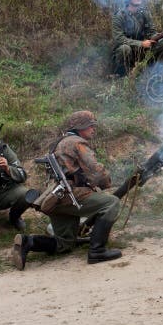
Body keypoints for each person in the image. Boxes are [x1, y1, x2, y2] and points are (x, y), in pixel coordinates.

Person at [12, 110, 122, 269]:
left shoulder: (58, 143)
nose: (93, 129)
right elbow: (95, 170)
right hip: (71, 195)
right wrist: (106, 183)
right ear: (80, 127)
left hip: (53, 198)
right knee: (111, 203)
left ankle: (27, 242)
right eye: (90, 126)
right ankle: (97, 251)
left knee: (64, 244)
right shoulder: (77, 143)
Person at [111, 0, 163, 76]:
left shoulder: (144, 13)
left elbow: (151, 32)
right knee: (125, 49)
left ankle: (151, 72)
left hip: (141, 49)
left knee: (162, 45)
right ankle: (120, 75)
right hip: (127, 50)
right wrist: (141, 44)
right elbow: (119, 39)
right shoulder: (119, 16)